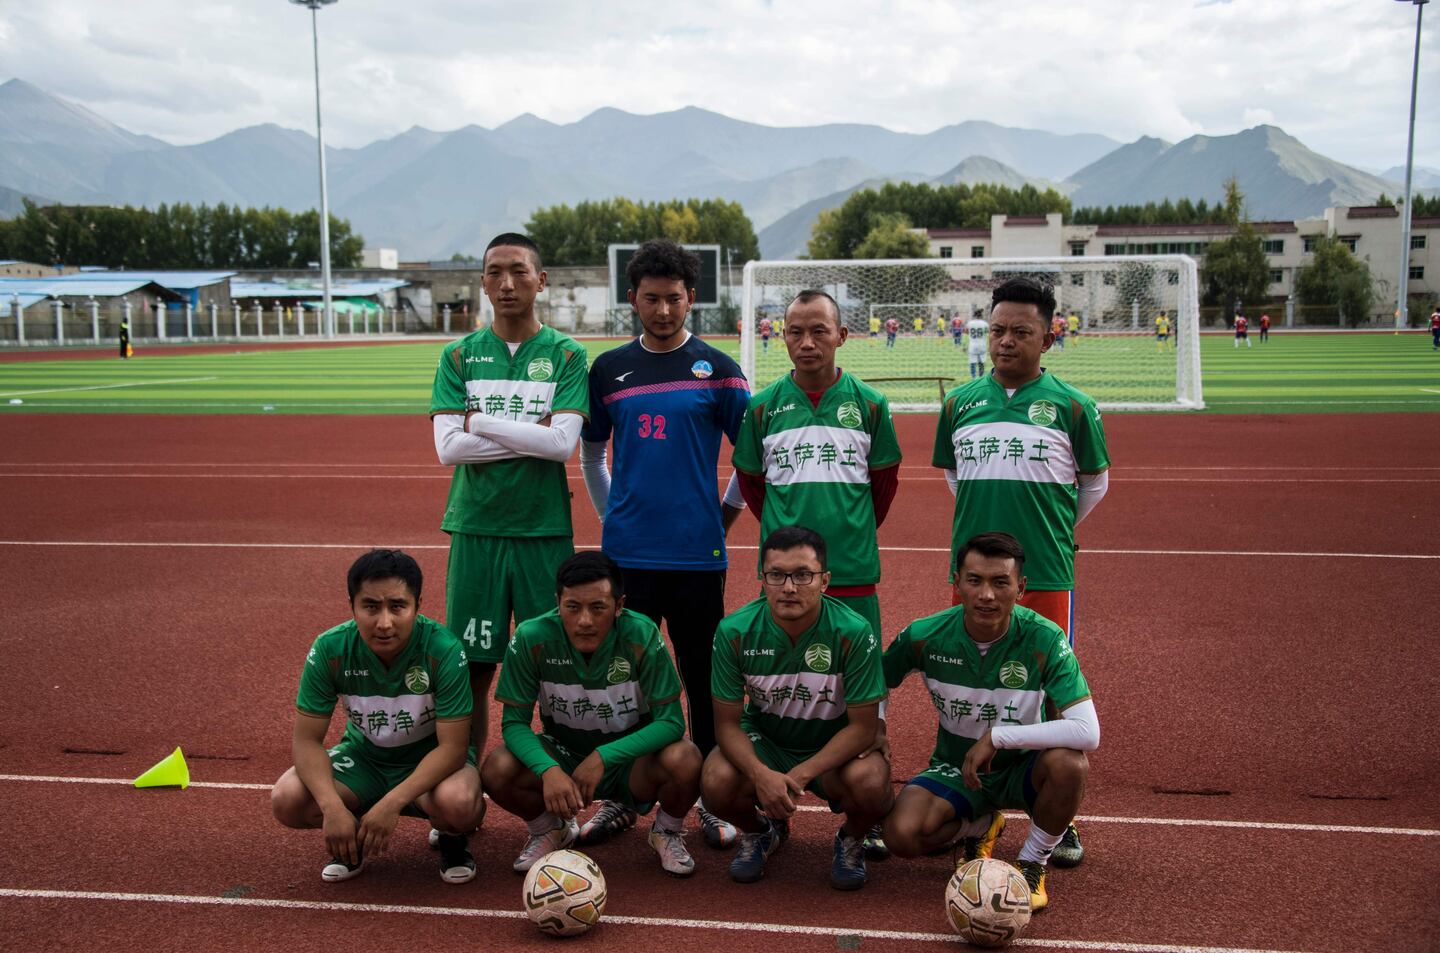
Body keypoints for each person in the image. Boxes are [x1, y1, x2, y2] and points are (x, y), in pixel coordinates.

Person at [932, 275, 1109, 868]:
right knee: (975, 683)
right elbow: (955, 478)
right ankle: (978, 803)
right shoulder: (959, 403)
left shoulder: (1073, 406)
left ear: (1048, 337)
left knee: (1050, 692)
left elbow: (1094, 484)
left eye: (1021, 332)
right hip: (973, 573)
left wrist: (1050, 528)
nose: (1006, 341)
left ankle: (1056, 814)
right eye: (998, 330)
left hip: (1047, 572)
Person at [579, 239, 750, 849]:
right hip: (628, 557)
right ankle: (622, 798)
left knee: (701, 677)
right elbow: (592, 455)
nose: (663, 310)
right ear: (633, 299)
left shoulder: (719, 369)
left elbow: (750, 461)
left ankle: (703, 797)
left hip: (697, 556)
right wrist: (613, 517)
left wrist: (722, 518)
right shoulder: (609, 370)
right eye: (651, 299)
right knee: (626, 681)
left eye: (674, 298)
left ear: (691, 298)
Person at [429, 232, 590, 815]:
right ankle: (462, 800)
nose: (507, 283)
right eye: (495, 272)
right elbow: (448, 450)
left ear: (541, 281)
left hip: (543, 532)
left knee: (553, 672)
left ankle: (555, 805)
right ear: (482, 281)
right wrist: (530, 435)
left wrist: (479, 422)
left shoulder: (567, 355)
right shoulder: (458, 356)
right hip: (476, 530)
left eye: (519, 271)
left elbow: (562, 445)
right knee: (473, 670)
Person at [880, 533, 1098, 911]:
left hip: (1025, 767)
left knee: (1070, 764)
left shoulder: (1045, 639)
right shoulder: (924, 636)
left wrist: (998, 737)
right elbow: (875, 683)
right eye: (975, 580)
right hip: (957, 768)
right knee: (900, 834)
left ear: (1021, 587)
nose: (986, 595)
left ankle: (1032, 862)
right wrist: (877, 727)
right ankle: (982, 825)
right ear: (957, 583)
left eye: (1000, 582)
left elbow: (1087, 731)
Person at [482, 552, 704, 875]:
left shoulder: (641, 634)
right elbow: (514, 723)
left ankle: (666, 831)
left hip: (631, 762)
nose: (585, 620)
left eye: (598, 607)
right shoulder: (532, 637)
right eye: (572, 607)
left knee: (686, 759)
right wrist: (548, 769)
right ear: (558, 603)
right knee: (497, 768)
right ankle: (549, 829)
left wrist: (603, 756)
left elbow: (671, 722)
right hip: (564, 756)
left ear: (619, 605)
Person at [271, 549, 483, 884]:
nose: (384, 623)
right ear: (352, 605)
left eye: (397, 606)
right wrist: (332, 807)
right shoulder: (330, 649)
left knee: (457, 804)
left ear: (417, 605)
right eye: (370, 606)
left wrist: (391, 804)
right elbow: (306, 741)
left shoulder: (442, 649)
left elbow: (453, 748)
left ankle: (452, 837)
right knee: (288, 799)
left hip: (429, 761)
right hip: (365, 759)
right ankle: (352, 840)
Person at [701, 526, 891, 889]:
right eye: (776, 575)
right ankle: (761, 832)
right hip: (768, 741)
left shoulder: (853, 631)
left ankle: (851, 838)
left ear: (825, 580)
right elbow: (726, 726)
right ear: (763, 578)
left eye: (803, 575)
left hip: (832, 746)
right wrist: (761, 774)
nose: (789, 587)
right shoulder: (734, 632)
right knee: (715, 780)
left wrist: (800, 775)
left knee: (872, 782)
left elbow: (863, 728)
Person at [733, 289, 900, 644]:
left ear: (841, 335)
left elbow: (884, 485)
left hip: (851, 566)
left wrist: (853, 525)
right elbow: (752, 484)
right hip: (784, 573)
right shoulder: (762, 407)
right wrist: (785, 526)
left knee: (858, 671)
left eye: (819, 331)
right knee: (784, 669)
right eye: (796, 332)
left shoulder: (870, 403)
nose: (807, 343)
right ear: (784, 336)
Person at [965, 310, 988, 379]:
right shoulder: (984, 323)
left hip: (973, 345)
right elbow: (987, 332)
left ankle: (974, 377)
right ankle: (981, 376)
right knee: (981, 362)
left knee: (972, 362)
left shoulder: (970, 323)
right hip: (982, 345)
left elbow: (966, 332)